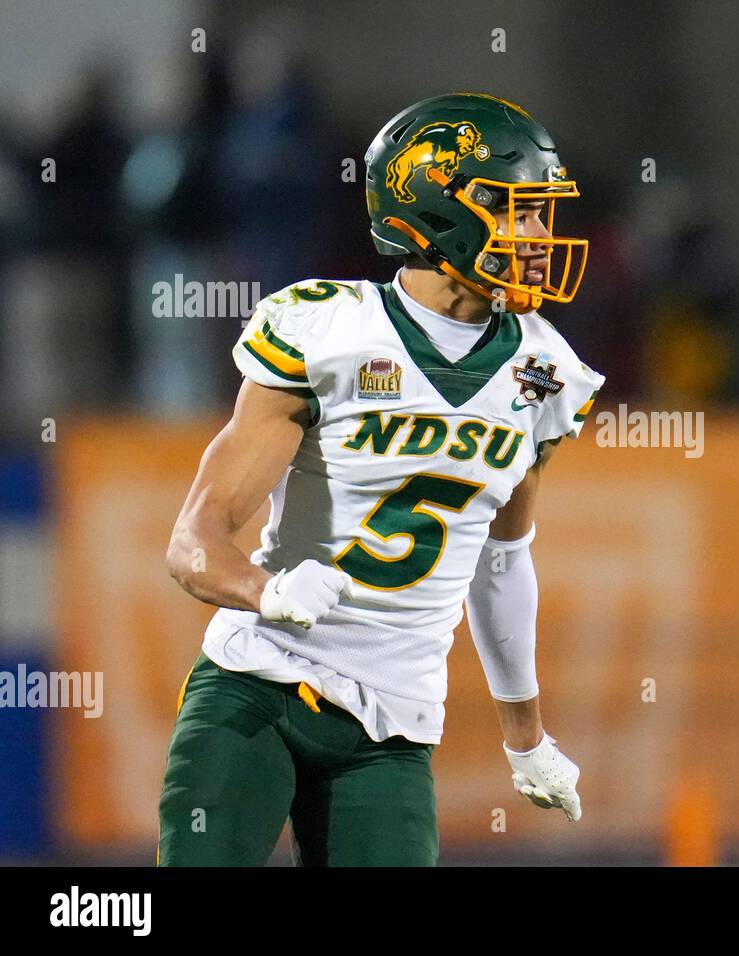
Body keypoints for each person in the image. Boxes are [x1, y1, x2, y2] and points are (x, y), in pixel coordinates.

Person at [158, 92, 603, 865]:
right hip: (258, 682)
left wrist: (526, 739)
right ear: (438, 211)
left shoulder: (545, 371)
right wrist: (267, 592)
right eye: (519, 211)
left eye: (543, 213)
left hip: (391, 730)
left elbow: (501, 558)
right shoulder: (327, 329)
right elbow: (193, 539)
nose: (541, 236)